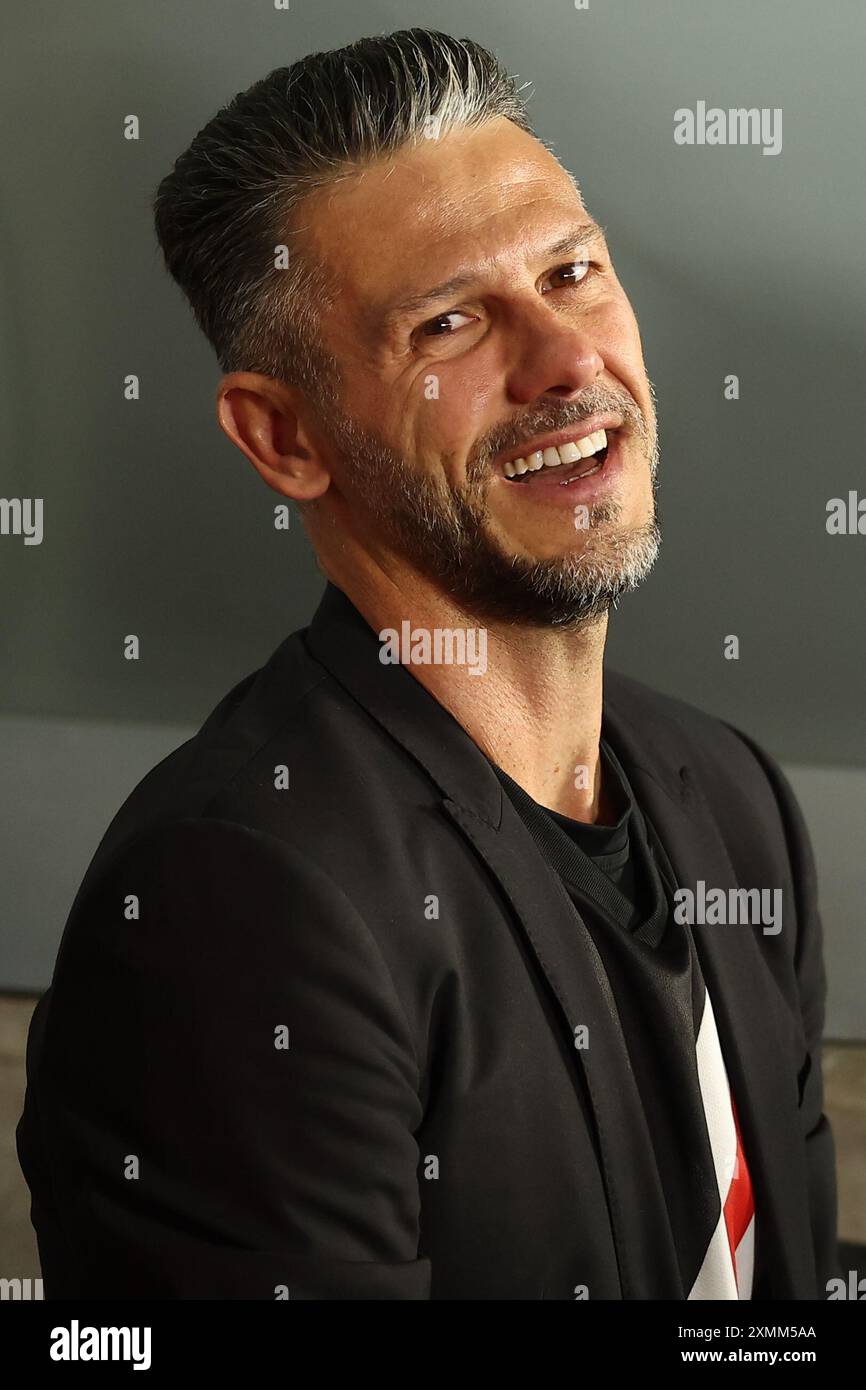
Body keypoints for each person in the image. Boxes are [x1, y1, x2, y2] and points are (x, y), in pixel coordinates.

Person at [18, 28, 838, 1300]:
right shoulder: (234, 902)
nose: (567, 362)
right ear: (283, 435)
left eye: (572, 272)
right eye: (449, 322)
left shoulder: (731, 801)